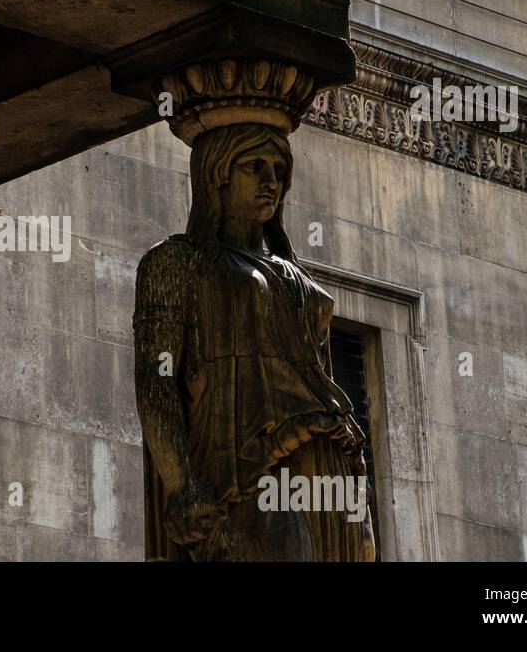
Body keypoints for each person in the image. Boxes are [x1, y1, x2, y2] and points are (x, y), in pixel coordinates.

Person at [133, 123, 374, 561]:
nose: (271, 183)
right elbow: (156, 380)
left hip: (325, 452)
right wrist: (180, 482)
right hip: (240, 464)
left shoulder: (294, 275)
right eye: (255, 167)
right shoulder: (176, 262)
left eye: (279, 170)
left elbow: (319, 373)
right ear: (217, 174)